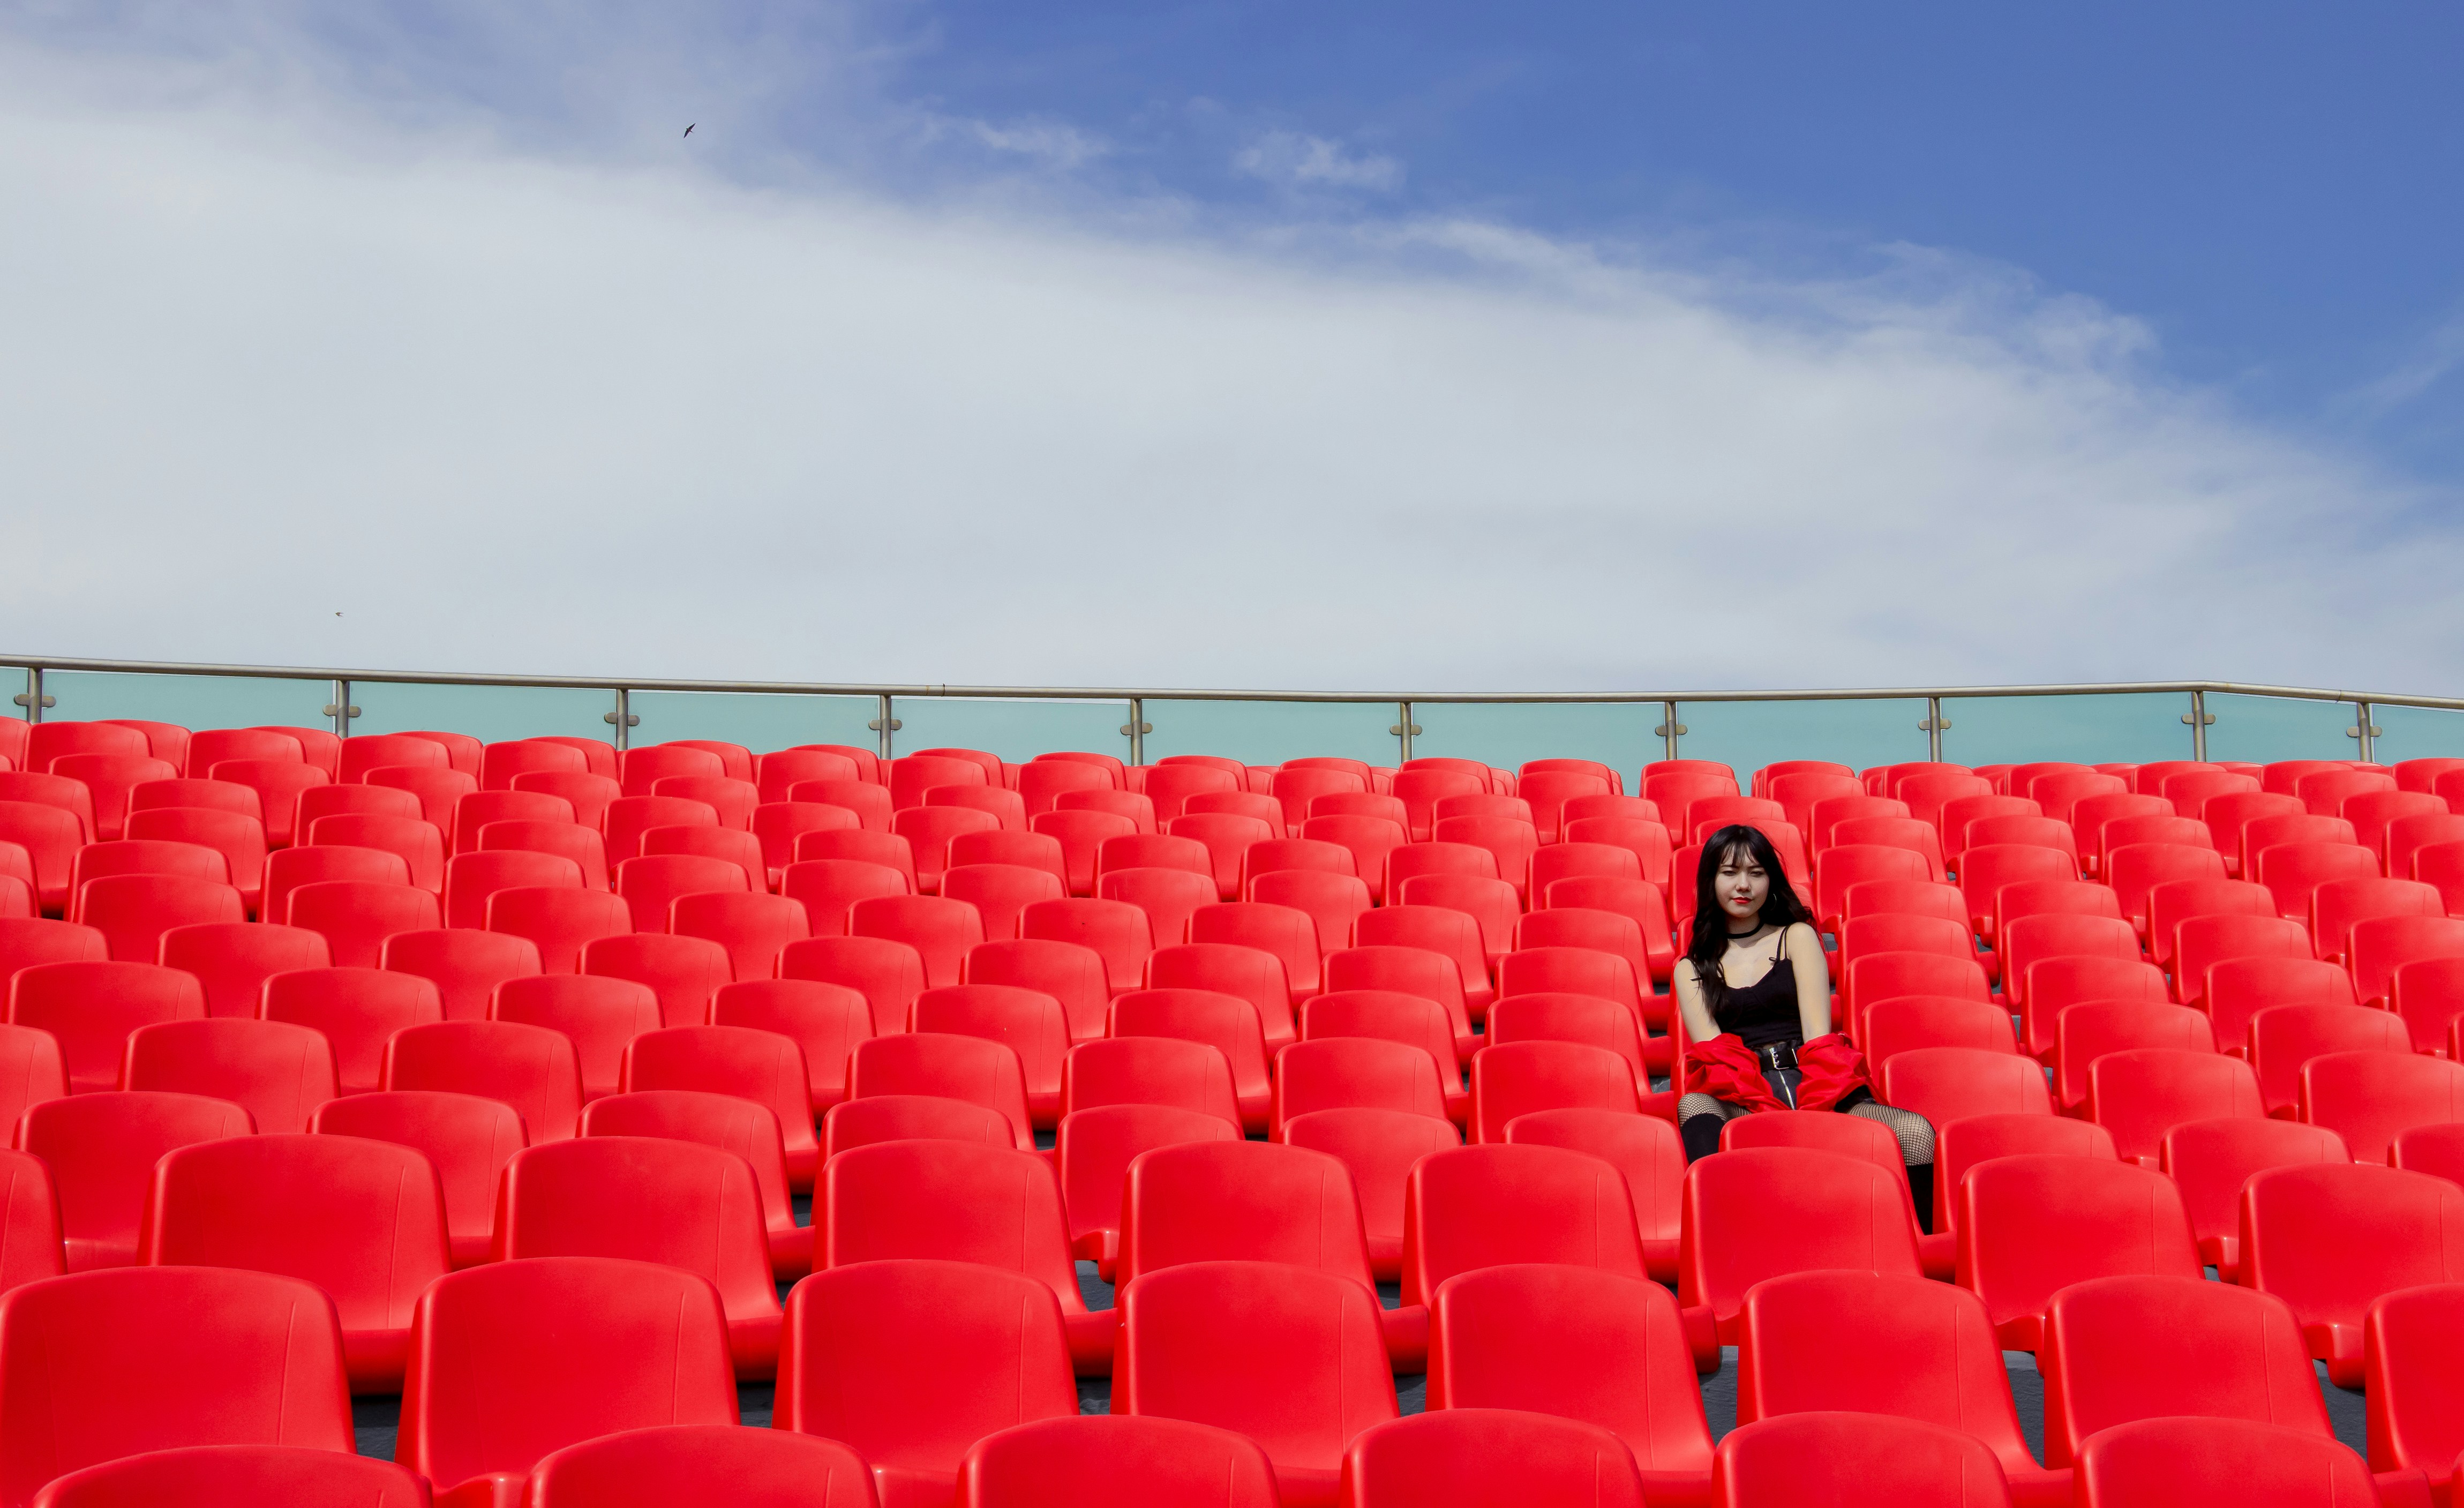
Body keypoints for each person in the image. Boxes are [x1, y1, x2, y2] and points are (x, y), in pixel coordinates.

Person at [1671, 823, 1935, 1221]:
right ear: (1710, 880)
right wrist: (1774, 1118)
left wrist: (1810, 1116)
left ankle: (1914, 1245)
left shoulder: (1796, 936)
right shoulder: (1690, 968)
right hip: (1745, 1094)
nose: (1743, 885)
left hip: (1815, 1080)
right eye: (1730, 872)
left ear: (1770, 880)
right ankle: (1722, 1236)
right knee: (1694, 1104)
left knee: (1915, 1135)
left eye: (1756, 873)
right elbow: (1719, 1060)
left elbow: (1819, 1039)